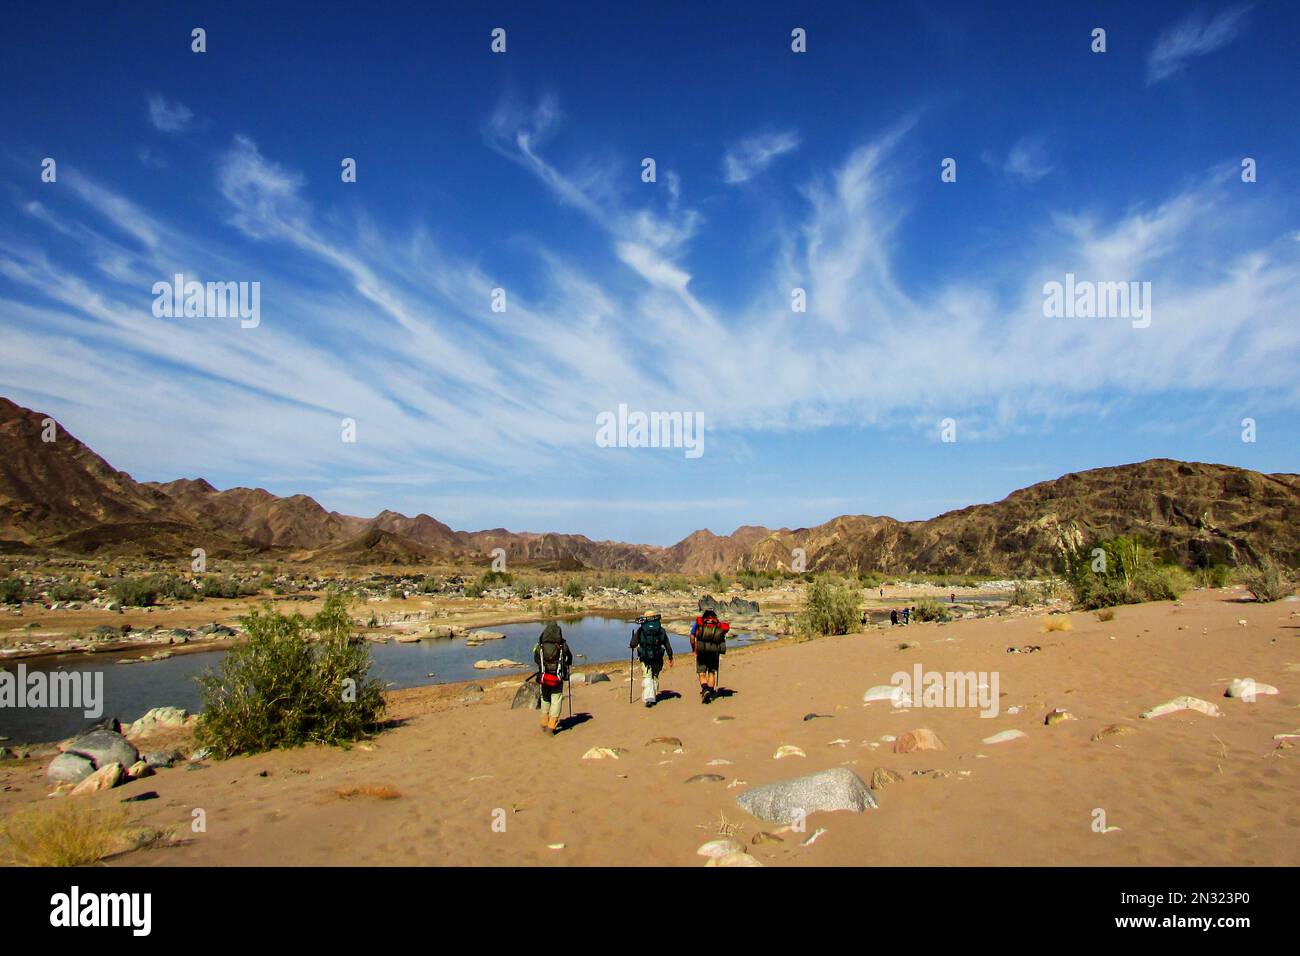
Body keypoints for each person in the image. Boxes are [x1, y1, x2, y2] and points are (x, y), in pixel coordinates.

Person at [532, 622, 573, 736]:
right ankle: (551, 727)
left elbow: (536, 658)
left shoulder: (540, 644)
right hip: (557, 677)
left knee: (545, 697)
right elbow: (569, 657)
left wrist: (542, 667)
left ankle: (544, 723)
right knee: (556, 699)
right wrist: (567, 665)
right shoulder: (562, 644)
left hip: (544, 676)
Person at [629, 612, 673, 707]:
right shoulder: (660, 630)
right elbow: (667, 644)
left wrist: (633, 640)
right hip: (658, 657)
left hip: (645, 658)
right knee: (655, 675)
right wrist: (670, 657)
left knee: (647, 676)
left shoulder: (641, 630)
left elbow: (633, 644)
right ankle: (653, 695)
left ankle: (649, 698)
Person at [690, 608, 729, 703]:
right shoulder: (717, 624)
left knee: (701, 672)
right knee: (711, 672)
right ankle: (710, 692)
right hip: (714, 652)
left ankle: (705, 689)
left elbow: (692, 636)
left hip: (701, 650)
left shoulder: (700, 623)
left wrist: (693, 647)